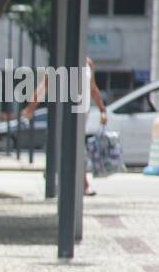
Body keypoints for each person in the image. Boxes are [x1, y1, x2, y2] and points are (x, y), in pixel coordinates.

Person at [22, 55, 107, 197]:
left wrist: (102, 110)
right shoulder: (59, 62)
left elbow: (93, 88)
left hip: (80, 115)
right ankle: (59, 175)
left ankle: (80, 182)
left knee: (78, 148)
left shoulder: (88, 63)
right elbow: (44, 86)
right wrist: (31, 108)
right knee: (62, 145)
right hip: (62, 113)